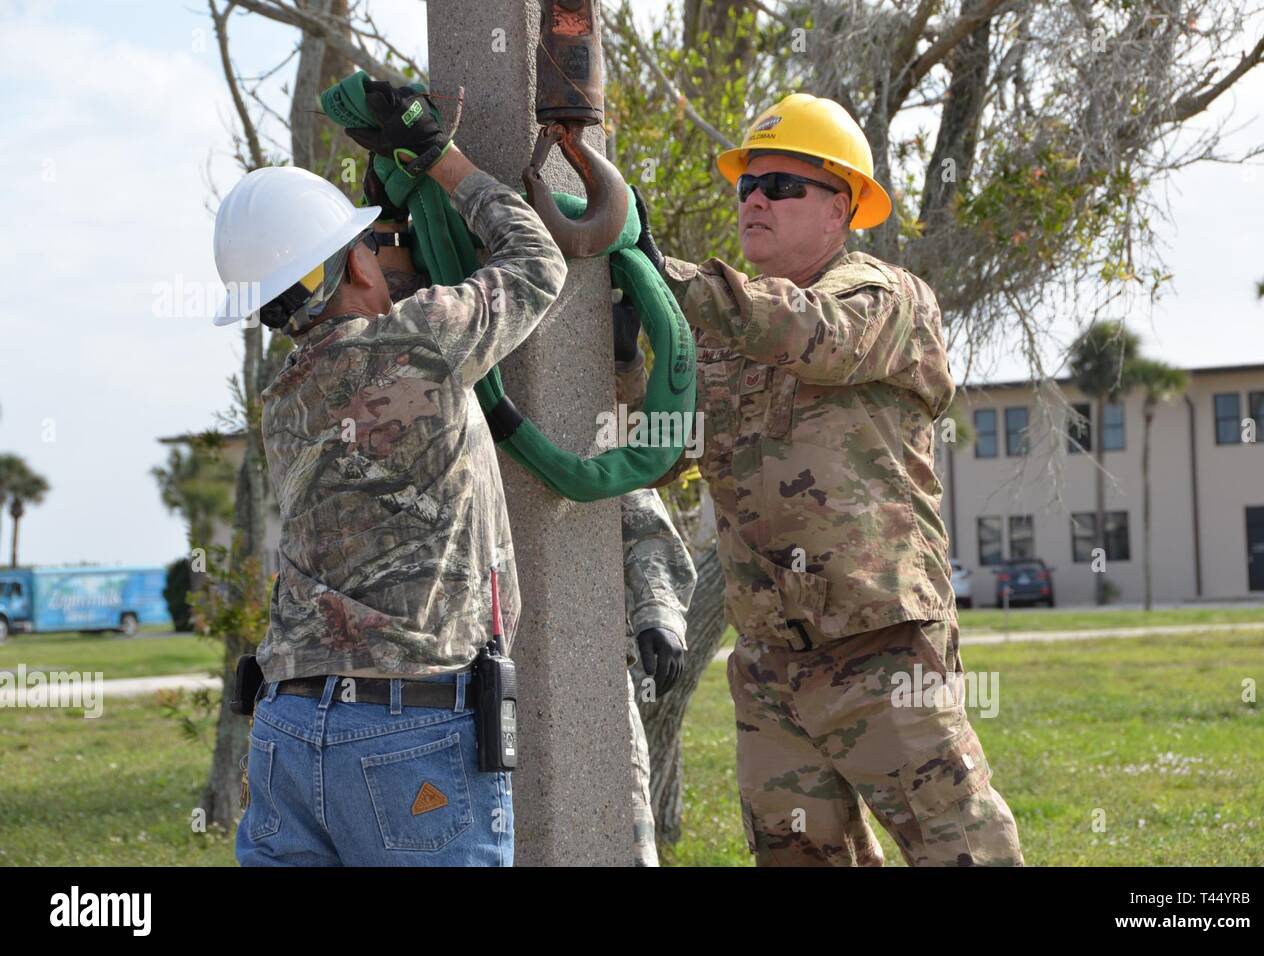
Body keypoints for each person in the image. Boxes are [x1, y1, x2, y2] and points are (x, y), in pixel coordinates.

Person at [621, 93, 1023, 866]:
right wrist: (620, 353)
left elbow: (814, 336)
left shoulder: (885, 299)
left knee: (962, 851)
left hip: (881, 649)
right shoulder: (720, 339)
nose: (756, 200)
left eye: (781, 186)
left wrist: (648, 269)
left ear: (841, 206)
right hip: (770, 662)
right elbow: (660, 450)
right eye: (747, 187)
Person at [211, 79, 567, 866]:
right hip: (410, 739)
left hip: (289, 732)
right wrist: (443, 162)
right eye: (372, 244)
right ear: (359, 270)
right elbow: (538, 260)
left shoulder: (281, 399)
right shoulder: (422, 342)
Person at [619, 487, 696, 865]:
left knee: (623, 846)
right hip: (446, 679)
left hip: (592, 676)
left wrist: (657, 612)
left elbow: (643, 522)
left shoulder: (598, 429)